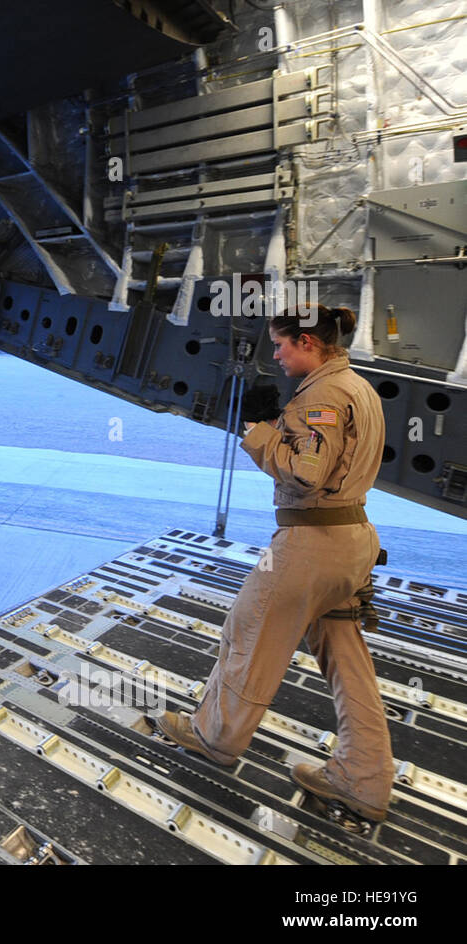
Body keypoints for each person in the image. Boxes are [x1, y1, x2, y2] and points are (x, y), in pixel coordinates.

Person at [150, 302, 394, 823]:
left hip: (310, 545)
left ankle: (214, 736)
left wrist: (260, 432)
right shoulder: (360, 389)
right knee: (348, 665)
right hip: (354, 542)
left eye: (282, 344)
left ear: (308, 343)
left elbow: (306, 472)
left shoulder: (323, 394)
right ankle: (366, 779)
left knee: (248, 632)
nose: (277, 355)